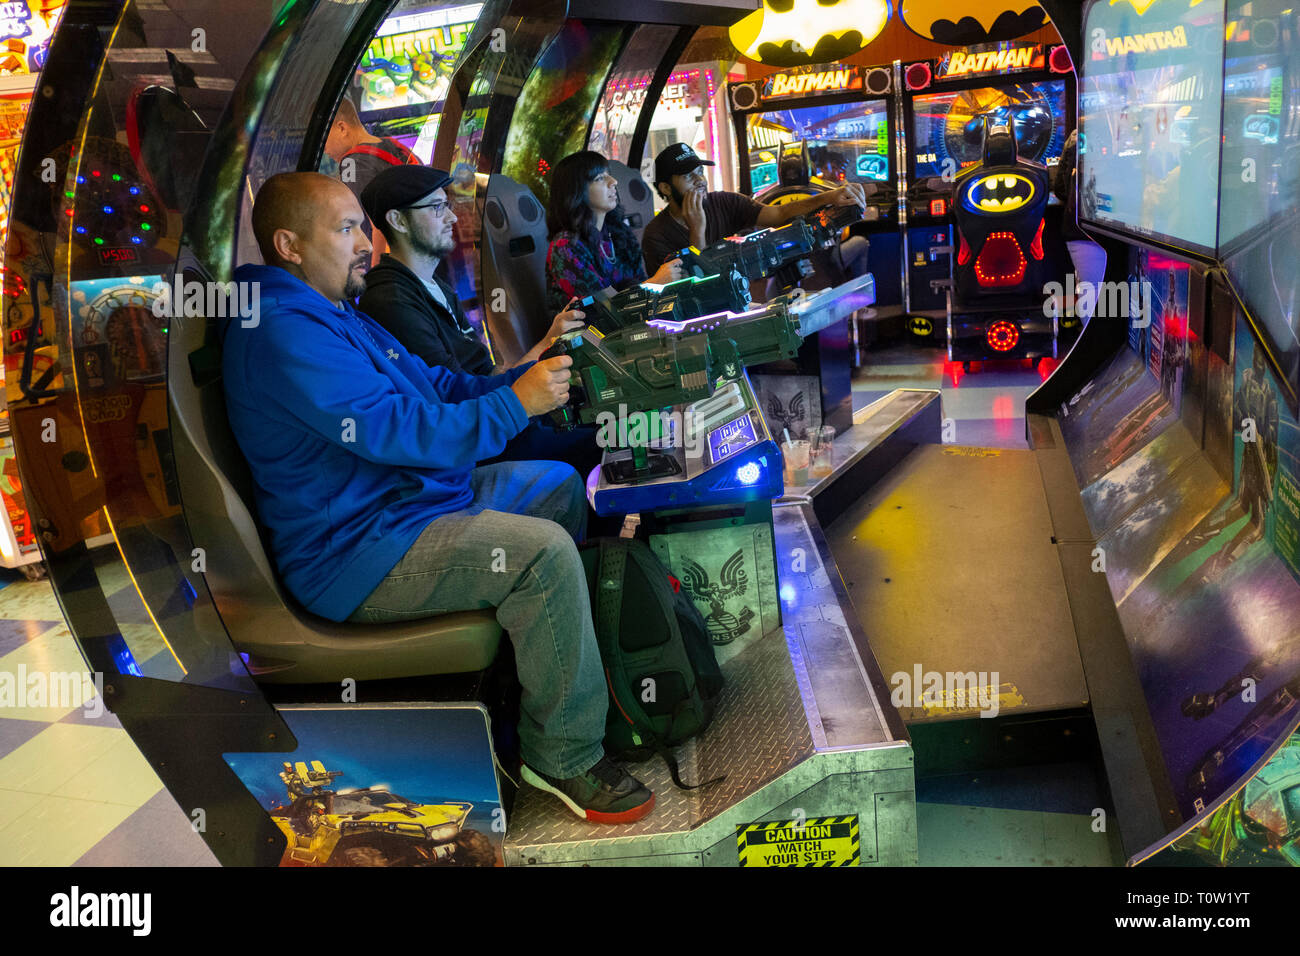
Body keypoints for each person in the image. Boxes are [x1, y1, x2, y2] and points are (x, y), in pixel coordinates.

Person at [222, 171, 654, 824]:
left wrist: (521, 381)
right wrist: (514, 405)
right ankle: (565, 754)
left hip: (407, 504)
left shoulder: (332, 311)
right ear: (288, 243)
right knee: (540, 556)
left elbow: (434, 384)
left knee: (559, 485)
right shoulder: (284, 333)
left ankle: (545, 685)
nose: (365, 243)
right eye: (345, 229)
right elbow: (396, 430)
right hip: (358, 550)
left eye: (361, 227)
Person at [357, 164, 603, 481]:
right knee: (602, 437)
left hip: (496, 417)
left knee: (605, 414)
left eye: (447, 205)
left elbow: (488, 375)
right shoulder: (391, 299)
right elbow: (452, 398)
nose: (452, 218)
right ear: (397, 220)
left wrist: (548, 341)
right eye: (436, 208)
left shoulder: (435, 286)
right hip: (477, 442)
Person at [640, 142, 870, 280]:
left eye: (699, 171)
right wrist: (697, 231)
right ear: (665, 188)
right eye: (688, 176)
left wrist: (829, 196)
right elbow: (697, 285)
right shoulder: (656, 235)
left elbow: (777, 214)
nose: (699, 180)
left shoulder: (724, 202)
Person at [544, 150, 681, 316]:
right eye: (600, 178)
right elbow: (604, 309)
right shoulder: (566, 246)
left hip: (630, 326)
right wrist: (654, 284)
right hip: (588, 336)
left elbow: (637, 284)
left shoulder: (618, 233)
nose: (614, 181)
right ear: (577, 191)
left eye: (609, 175)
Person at [1052, 128, 1106, 324]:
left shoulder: (1073, 145)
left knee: (1089, 291)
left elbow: (1059, 190)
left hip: (1078, 232)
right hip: (1096, 231)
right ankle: (1092, 344)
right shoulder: (1104, 148)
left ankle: (1089, 342)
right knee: (1095, 293)